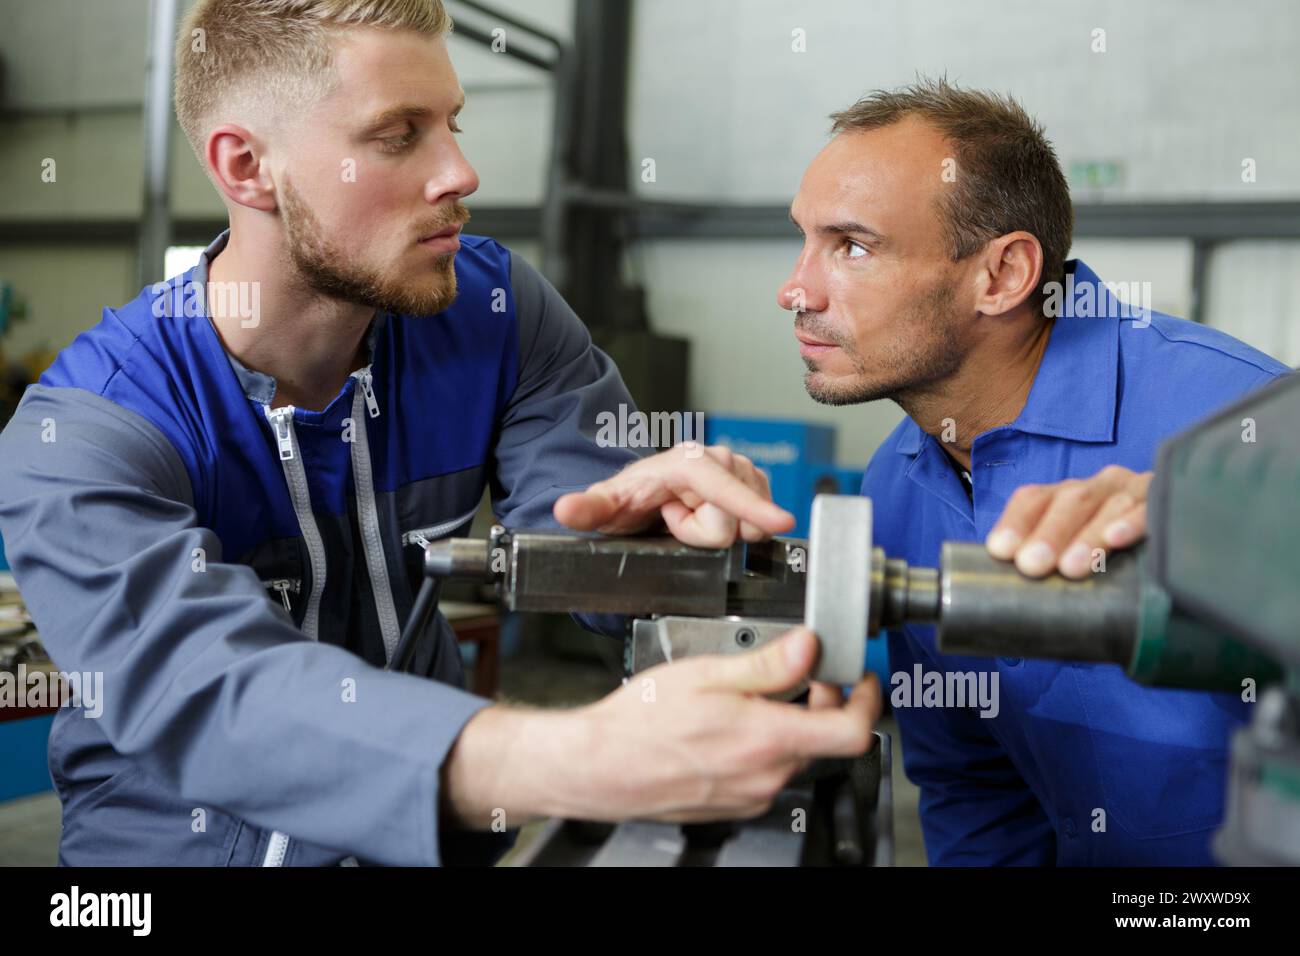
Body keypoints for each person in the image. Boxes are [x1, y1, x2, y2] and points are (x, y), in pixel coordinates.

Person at [0, 0, 878, 867]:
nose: (461, 171)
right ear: (246, 167)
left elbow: (583, 528)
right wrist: (572, 759)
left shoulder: (493, 313)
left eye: (453, 123)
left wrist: (673, 543)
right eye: (398, 134)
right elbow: (196, 687)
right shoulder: (88, 428)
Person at [777, 77, 1290, 865]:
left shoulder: (1245, 427)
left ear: (1003, 274)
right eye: (804, 241)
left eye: (852, 246)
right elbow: (973, 784)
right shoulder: (895, 485)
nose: (796, 290)